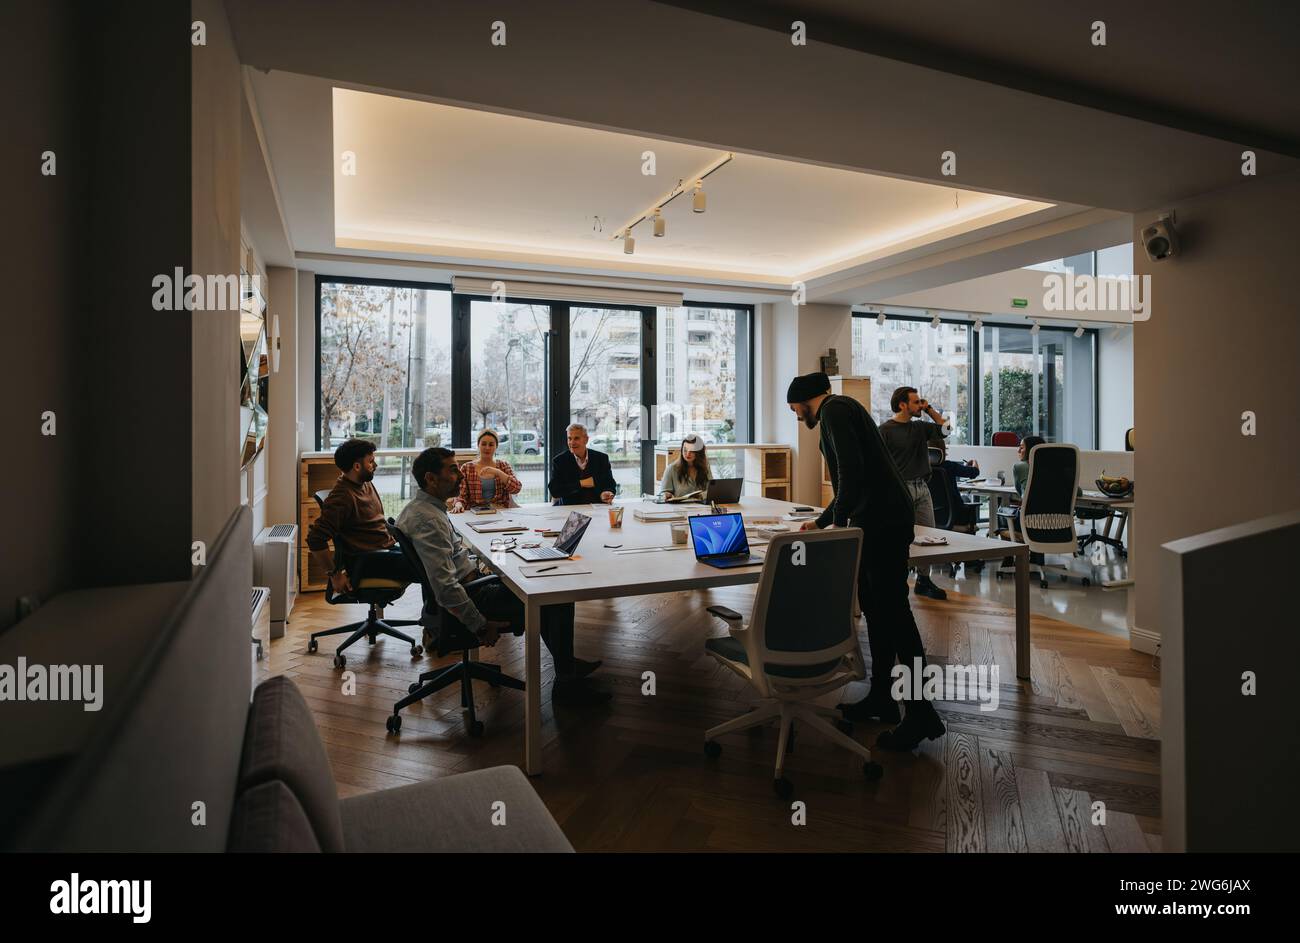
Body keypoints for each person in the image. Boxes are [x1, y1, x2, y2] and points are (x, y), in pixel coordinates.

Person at [787, 371, 945, 751]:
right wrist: (825, 520)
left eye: (794, 408)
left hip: (882, 523)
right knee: (877, 611)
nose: (795, 415)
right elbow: (851, 480)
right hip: (876, 520)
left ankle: (921, 713)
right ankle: (882, 697)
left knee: (896, 616)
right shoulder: (842, 410)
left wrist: (835, 524)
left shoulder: (835, 410)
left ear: (806, 399)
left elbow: (850, 473)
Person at [397, 447, 610, 707]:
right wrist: (480, 625)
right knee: (558, 595)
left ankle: (566, 667)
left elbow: (449, 570)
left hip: (475, 586)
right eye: (452, 470)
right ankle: (566, 682)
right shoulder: (428, 521)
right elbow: (445, 588)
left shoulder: (422, 509)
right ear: (431, 478)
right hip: (477, 598)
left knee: (546, 578)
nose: (460, 476)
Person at [305, 438, 414, 596]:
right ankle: (436, 616)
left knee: (428, 555)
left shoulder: (364, 482)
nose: (375, 466)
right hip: (368, 560)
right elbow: (315, 539)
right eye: (371, 462)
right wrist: (335, 575)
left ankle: (435, 614)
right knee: (430, 565)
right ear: (357, 466)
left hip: (384, 550)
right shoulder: (342, 497)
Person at [878, 386, 950, 600]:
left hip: (922, 487)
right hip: (900, 489)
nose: (921, 404)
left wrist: (929, 409)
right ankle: (895, 579)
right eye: (917, 402)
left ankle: (923, 580)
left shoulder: (919, 427)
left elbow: (946, 429)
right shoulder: (885, 430)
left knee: (929, 536)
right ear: (902, 404)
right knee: (899, 536)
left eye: (921, 402)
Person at [451, 429, 522, 512]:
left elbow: (516, 488)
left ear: (496, 446)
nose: (487, 448)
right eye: (484, 444)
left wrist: (498, 472)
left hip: (501, 512)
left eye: (491, 444)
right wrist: (458, 504)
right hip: (475, 514)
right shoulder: (466, 468)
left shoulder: (504, 466)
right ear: (478, 445)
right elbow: (460, 495)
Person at [549, 423, 616, 505]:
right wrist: (582, 483)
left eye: (576, 438)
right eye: (569, 438)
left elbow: (610, 483)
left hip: (596, 507)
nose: (572, 442)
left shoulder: (601, 458)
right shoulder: (559, 461)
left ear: (586, 440)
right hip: (570, 508)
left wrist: (605, 493)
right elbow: (554, 490)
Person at [659, 433, 711, 498]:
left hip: (702, 507)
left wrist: (701, 495)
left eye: (692, 451)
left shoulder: (705, 468)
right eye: (685, 450)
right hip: (679, 507)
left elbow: (711, 491)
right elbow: (662, 494)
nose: (688, 453)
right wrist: (666, 495)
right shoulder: (671, 469)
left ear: (699, 452)